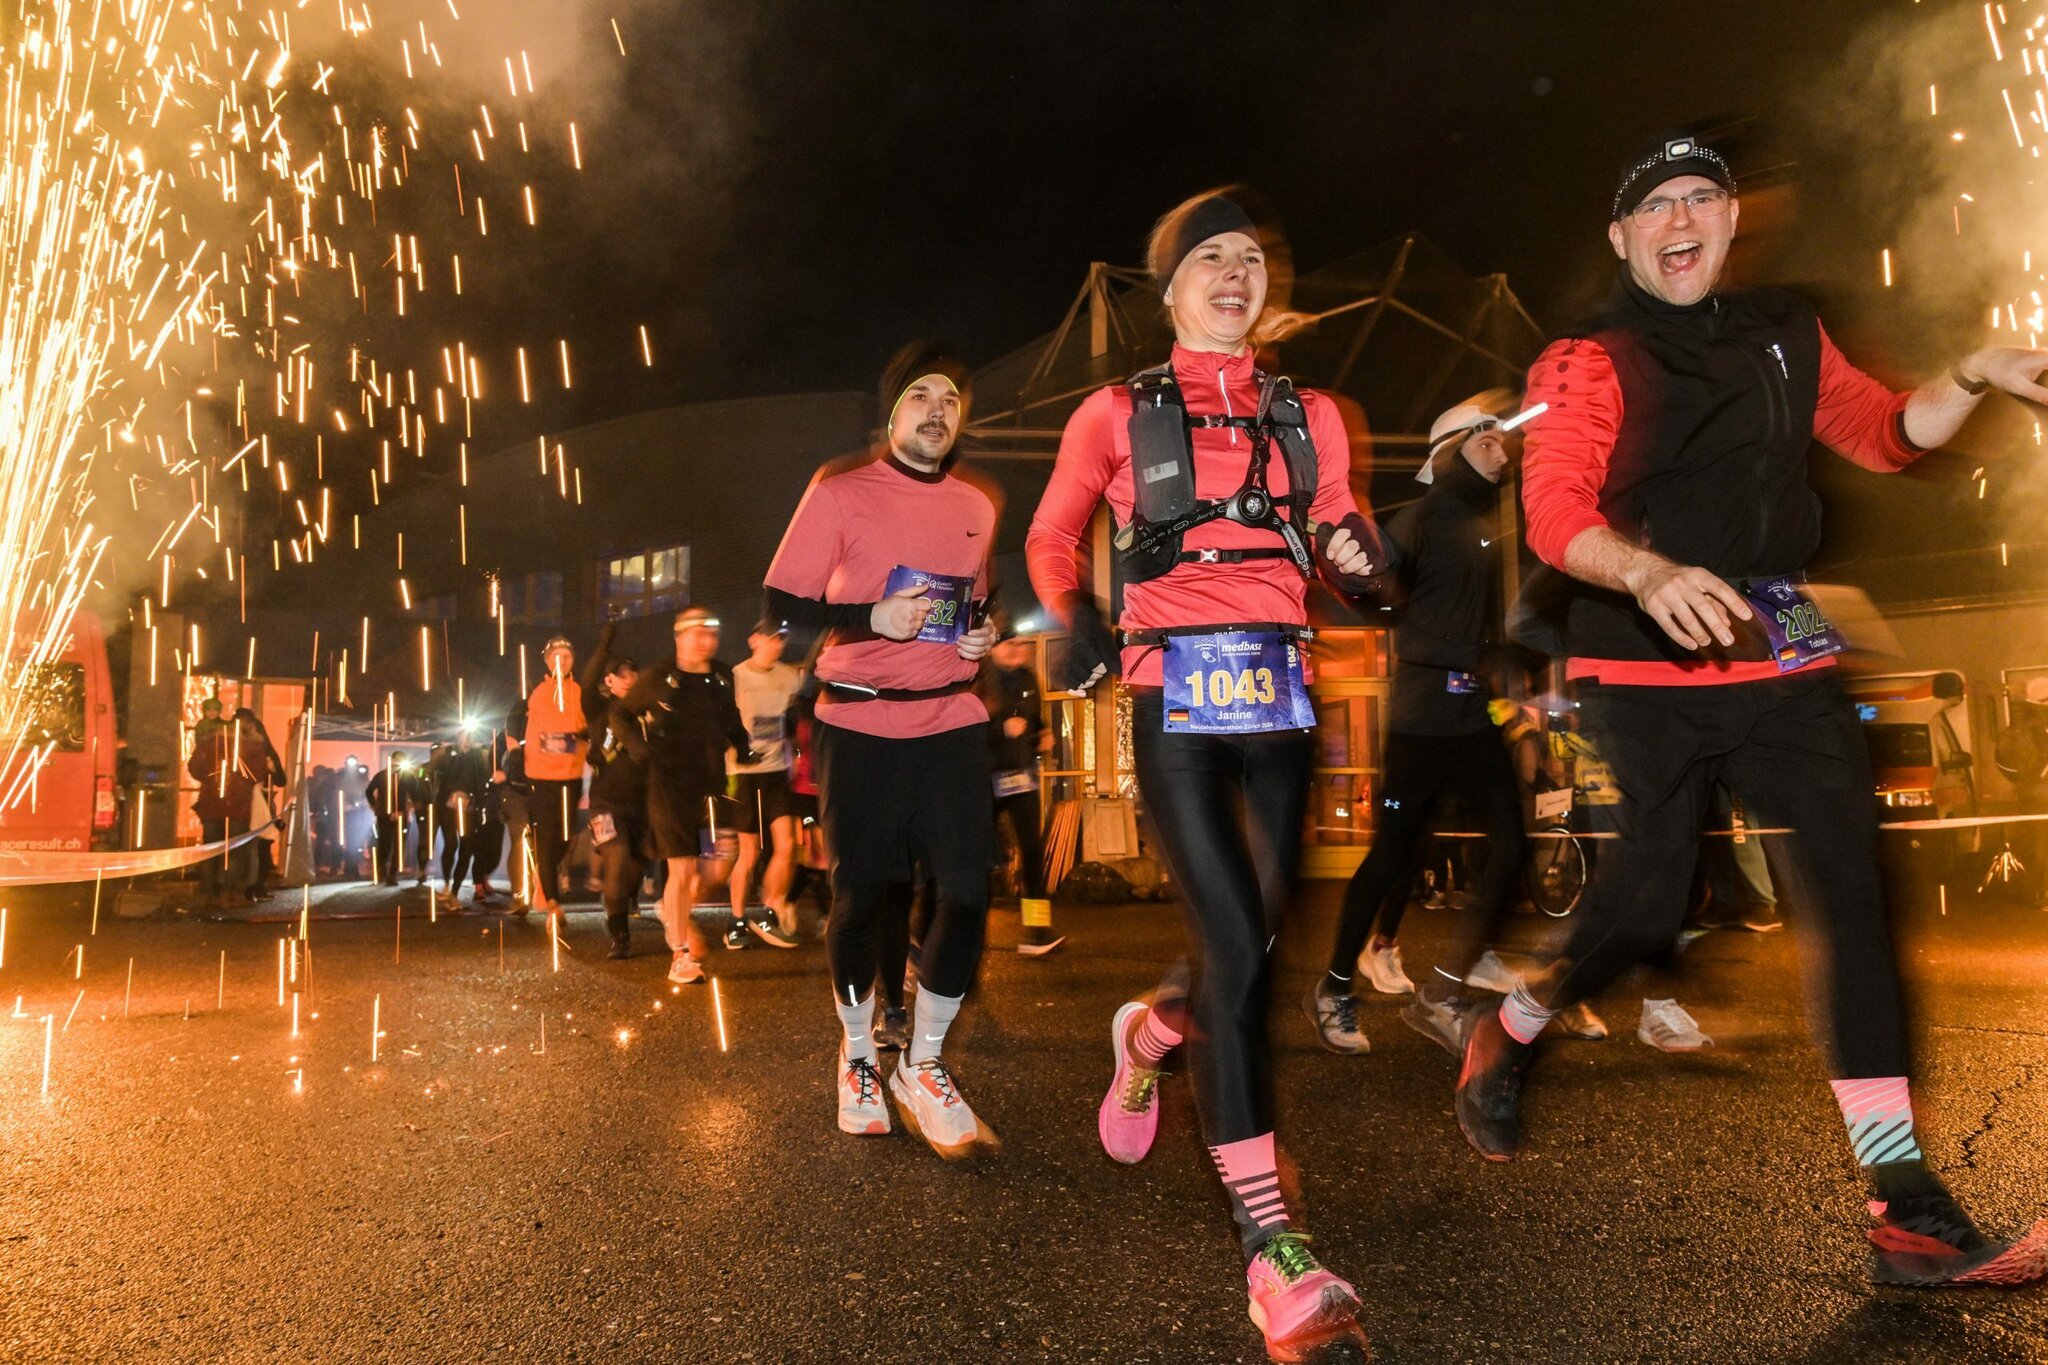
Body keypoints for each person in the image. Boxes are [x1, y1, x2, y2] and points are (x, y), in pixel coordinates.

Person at [1461, 130, 2048, 1287]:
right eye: (1656, 206)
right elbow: (1554, 511)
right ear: (1624, 236)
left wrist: (1971, 376)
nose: (1681, 220)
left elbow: (1882, 437)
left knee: (1853, 900)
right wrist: (1643, 572)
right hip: (1640, 662)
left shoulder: (1785, 330)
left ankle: (1904, 1207)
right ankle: (1517, 1024)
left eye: (1702, 198)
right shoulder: (1588, 355)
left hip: (1779, 656)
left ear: (1727, 221)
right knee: (1642, 912)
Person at [1025, 191, 1387, 1357]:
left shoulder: (1314, 414)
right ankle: (1268, 1247)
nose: (1231, 274)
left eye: (1248, 260)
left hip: (1278, 687)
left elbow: (1345, 532)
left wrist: (1356, 559)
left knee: (1258, 935)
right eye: (1207, 260)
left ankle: (1148, 1037)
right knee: (1237, 948)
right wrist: (1070, 614)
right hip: (1169, 688)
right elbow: (1048, 531)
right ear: (1169, 290)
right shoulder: (1111, 414)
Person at [763, 341, 1004, 1161]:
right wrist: (871, 620)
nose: (937, 410)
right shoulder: (839, 495)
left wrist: (983, 634)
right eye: (920, 396)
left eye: (950, 399)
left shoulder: (977, 503)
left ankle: (925, 1063)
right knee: (862, 897)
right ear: (893, 413)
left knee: (967, 892)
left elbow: (976, 600)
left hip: (951, 715)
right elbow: (782, 603)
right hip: (858, 720)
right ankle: (859, 1055)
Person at [1307, 395, 1528, 1057]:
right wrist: (1482, 655)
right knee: (1392, 857)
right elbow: (1390, 615)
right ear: (1449, 448)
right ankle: (1336, 985)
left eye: (1502, 434)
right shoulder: (1422, 518)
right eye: (1486, 435)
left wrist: (1512, 669)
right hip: (1420, 726)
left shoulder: (1490, 525)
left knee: (1515, 845)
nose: (1502, 443)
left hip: (1474, 722)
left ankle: (1449, 985)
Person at [623, 607, 751, 984]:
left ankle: (670, 907)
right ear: (679, 637)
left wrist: (743, 746)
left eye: (711, 633)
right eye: (697, 633)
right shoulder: (659, 676)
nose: (705, 641)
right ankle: (679, 955)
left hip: (710, 785)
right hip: (668, 785)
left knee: (717, 866)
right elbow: (620, 714)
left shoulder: (723, 676)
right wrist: (638, 749)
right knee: (682, 868)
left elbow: (730, 716)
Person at [978, 624, 1062, 954]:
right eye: (1009, 644)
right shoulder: (979, 678)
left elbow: (1035, 718)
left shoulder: (1028, 678)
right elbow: (967, 727)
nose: (1017, 649)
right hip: (987, 776)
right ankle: (973, 931)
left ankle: (1037, 930)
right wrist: (1000, 729)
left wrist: (1042, 736)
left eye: (1021, 644)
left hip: (1022, 776)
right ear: (994, 647)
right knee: (982, 854)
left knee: (1032, 850)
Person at [724, 619, 804, 949]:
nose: (777, 646)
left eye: (781, 641)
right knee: (749, 853)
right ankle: (737, 920)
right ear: (753, 640)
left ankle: (771, 910)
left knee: (786, 846)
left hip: (777, 772)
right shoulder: (736, 676)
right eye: (770, 640)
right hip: (744, 773)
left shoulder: (789, 676)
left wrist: (796, 752)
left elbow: (795, 719)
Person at [582, 622, 648, 959]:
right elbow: (587, 679)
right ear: (608, 681)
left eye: (631, 673)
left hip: (642, 806)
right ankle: (619, 936)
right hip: (605, 804)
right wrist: (604, 644)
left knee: (633, 870)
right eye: (618, 675)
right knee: (618, 858)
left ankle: (621, 902)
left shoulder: (646, 712)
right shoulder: (598, 711)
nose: (626, 678)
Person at [521, 634, 592, 918]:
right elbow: (545, 726)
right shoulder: (539, 693)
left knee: (565, 837)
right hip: (540, 776)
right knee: (547, 838)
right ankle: (551, 901)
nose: (562, 662)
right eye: (556, 658)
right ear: (548, 662)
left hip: (571, 774)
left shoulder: (580, 692)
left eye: (567, 657)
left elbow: (584, 724)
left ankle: (546, 877)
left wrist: (583, 734)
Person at [187, 711, 257, 908]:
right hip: (239, 806)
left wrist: (211, 781)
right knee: (234, 850)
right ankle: (230, 893)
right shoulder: (250, 746)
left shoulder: (208, 744)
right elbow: (257, 773)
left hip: (211, 804)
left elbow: (194, 768)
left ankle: (207, 894)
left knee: (211, 849)